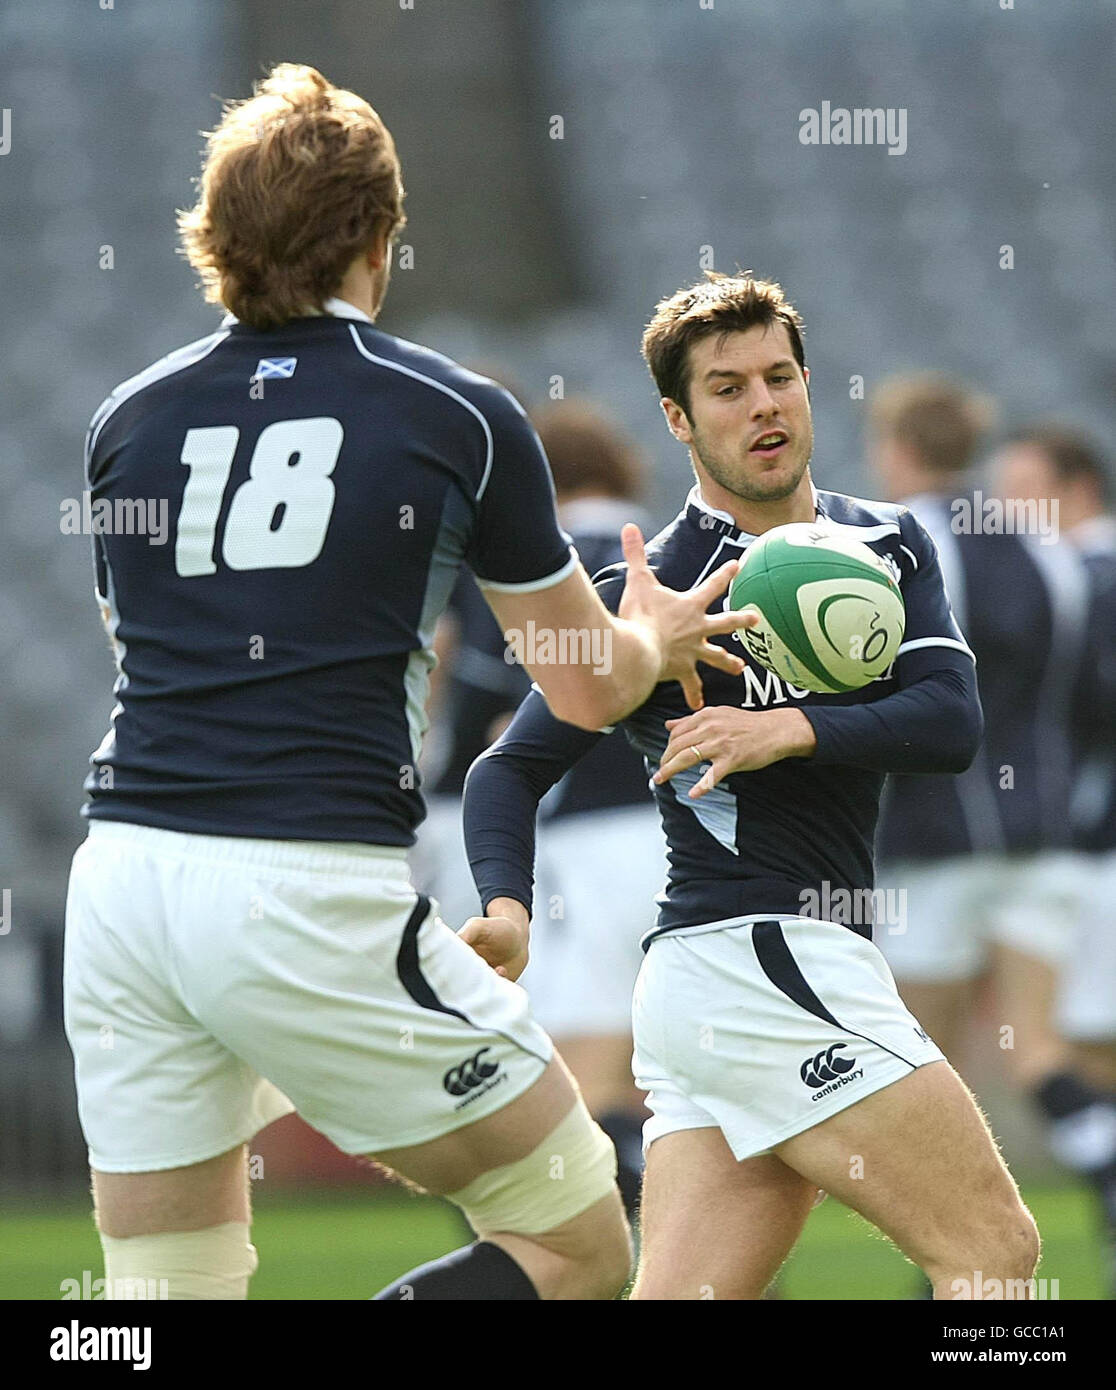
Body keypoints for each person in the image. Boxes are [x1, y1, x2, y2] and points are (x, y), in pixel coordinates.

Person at [63, 64, 747, 1302]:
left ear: (215, 234)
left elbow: (151, 650)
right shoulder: (458, 413)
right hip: (301, 878)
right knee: (577, 1242)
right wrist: (655, 636)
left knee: (165, 1287)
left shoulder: (129, 415)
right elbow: (588, 690)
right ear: (378, 238)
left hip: (122, 886)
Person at [463, 272, 1040, 1300]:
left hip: (744, 978)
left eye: (780, 376)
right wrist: (506, 909)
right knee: (997, 1256)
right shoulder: (654, 595)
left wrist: (791, 726)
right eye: (727, 389)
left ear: (810, 386)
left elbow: (951, 725)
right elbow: (507, 769)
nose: (764, 403)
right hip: (760, 955)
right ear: (679, 420)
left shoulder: (886, 543)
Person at [994, 424, 1116, 1286]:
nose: (1003, 514)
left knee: (1040, 1044)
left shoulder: (1085, 580)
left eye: (1020, 493)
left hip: (1094, 853)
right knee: (1093, 1057)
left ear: (1075, 488)